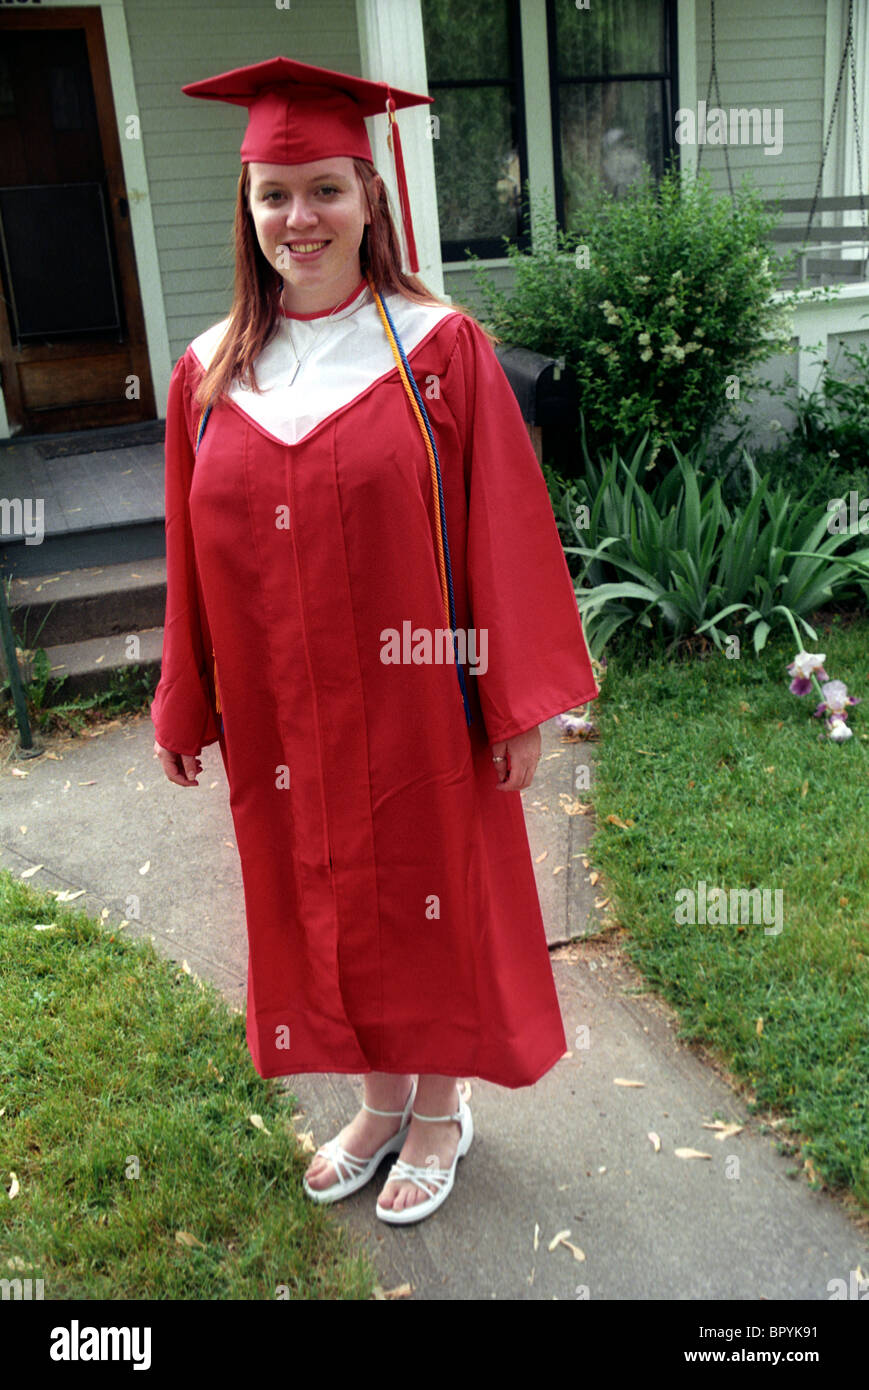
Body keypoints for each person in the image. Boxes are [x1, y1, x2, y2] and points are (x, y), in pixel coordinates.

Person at [151, 56, 599, 1226]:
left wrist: (517, 703)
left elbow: (501, 525)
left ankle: (441, 1108)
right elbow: (191, 560)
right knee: (318, 894)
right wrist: (185, 701)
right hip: (283, 711)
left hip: (418, 697)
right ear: (246, 213)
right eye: (274, 196)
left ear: (369, 198)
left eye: (323, 191)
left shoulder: (436, 349)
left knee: (423, 887)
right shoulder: (208, 373)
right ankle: (377, 1095)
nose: (299, 219)